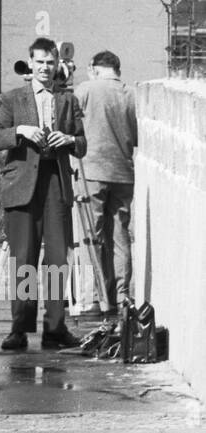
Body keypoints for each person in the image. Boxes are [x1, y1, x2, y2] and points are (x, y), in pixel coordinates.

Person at [0, 37, 87, 352]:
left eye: (50, 63)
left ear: (57, 64)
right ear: (31, 64)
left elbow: (83, 143)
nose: (45, 68)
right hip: (21, 186)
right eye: (39, 62)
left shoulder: (67, 100)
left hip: (55, 181)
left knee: (57, 258)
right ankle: (20, 328)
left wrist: (68, 139)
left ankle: (55, 329)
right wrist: (20, 132)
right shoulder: (13, 99)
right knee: (24, 260)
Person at [75, 50, 138, 313]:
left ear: (94, 68)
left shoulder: (85, 89)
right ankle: (122, 295)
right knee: (120, 235)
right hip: (123, 172)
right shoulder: (130, 93)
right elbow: (136, 137)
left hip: (93, 171)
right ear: (117, 69)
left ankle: (97, 296)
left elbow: (69, 125)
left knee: (92, 235)